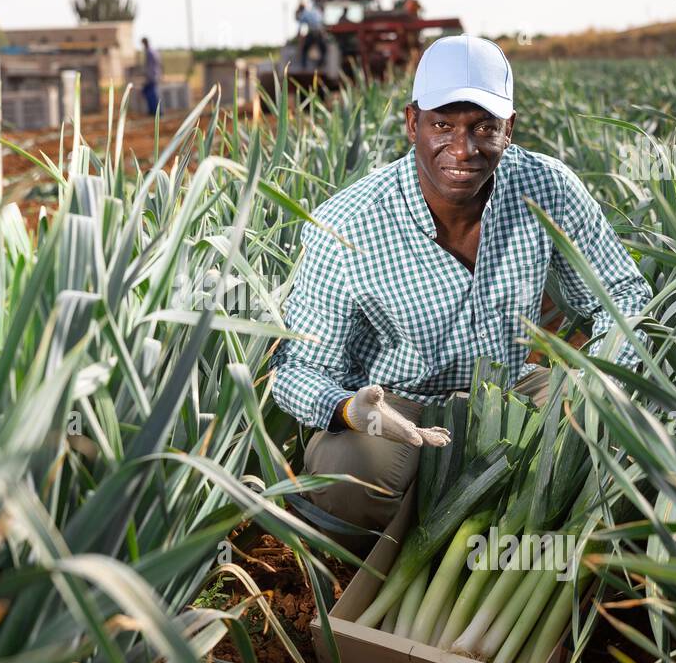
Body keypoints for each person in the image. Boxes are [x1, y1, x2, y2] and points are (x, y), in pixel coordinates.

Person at [269, 35, 652, 553]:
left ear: (509, 129)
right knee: (351, 480)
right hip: (398, 404)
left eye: (483, 127)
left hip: (511, 392)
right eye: (443, 125)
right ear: (413, 124)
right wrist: (349, 410)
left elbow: (623, 297)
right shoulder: (349, 223)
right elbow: (298, 370)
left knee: (629, 428)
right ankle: (411, 523)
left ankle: (497, 520)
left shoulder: (547, 189)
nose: (463, 149)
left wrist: (598, 383)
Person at [295, 1, 327, 72]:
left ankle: (304, 67)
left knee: (304, 50)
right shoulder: (315, 11)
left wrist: (298, 36)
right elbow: (321, 24)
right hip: (319, 34)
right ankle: (320, 65)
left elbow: (300, 27)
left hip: (312, 33)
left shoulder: (303, 14)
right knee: (323, 50)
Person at [140, 36, 162, 115]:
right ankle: (154, 111)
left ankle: (156, 111)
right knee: (149, 92)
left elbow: (149, 65)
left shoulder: (149, 52)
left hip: (152, 76)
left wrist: (147, 75)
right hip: (154, 75)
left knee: (151, 93)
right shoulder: (153, 51)